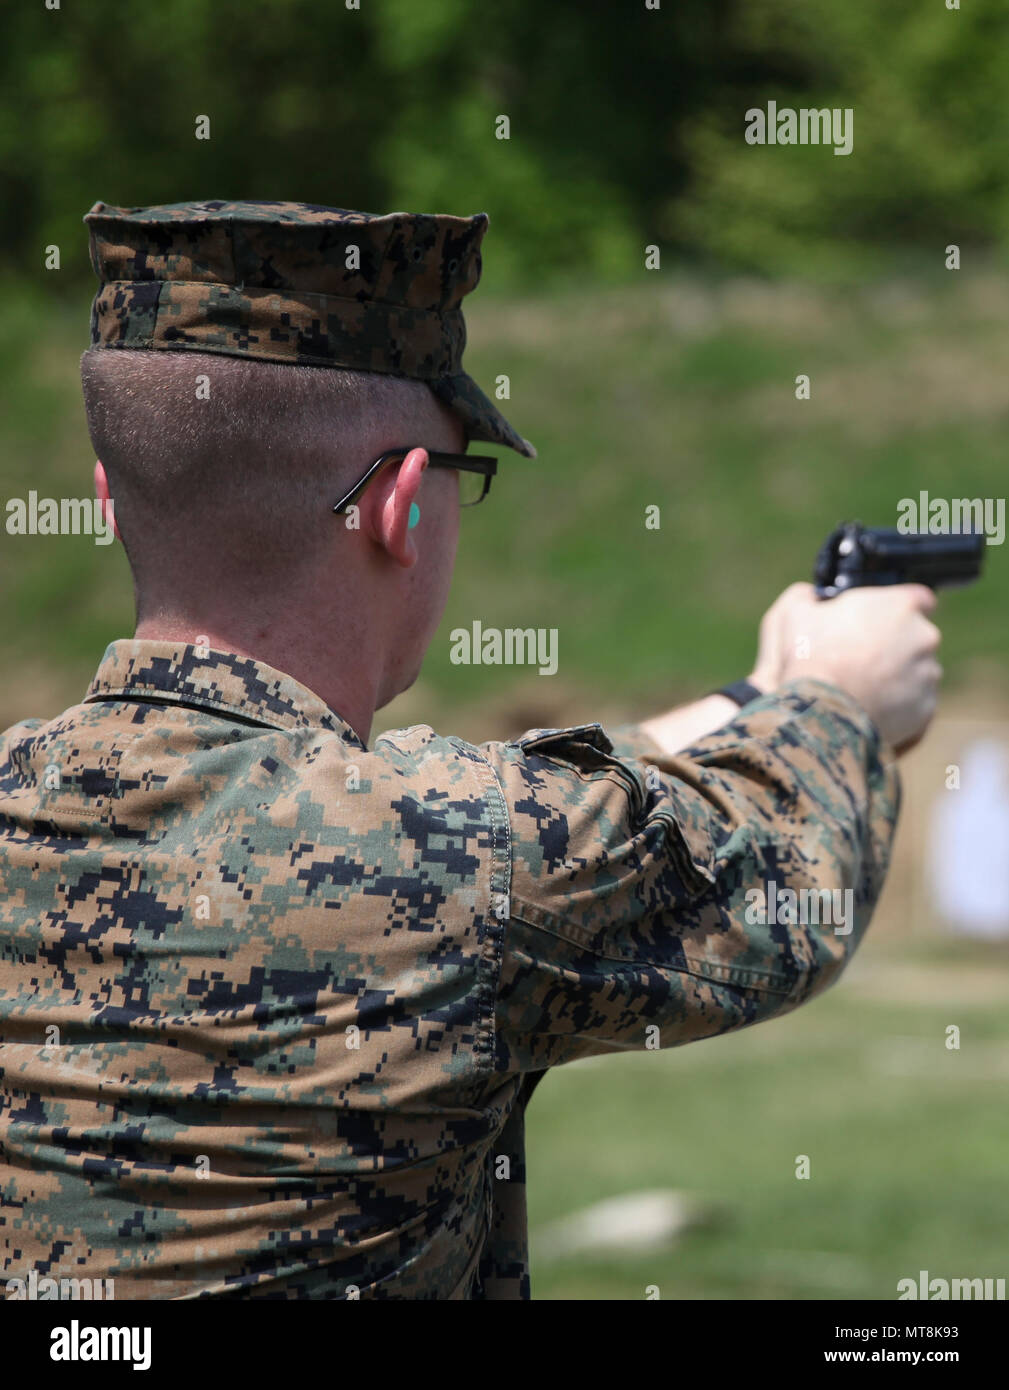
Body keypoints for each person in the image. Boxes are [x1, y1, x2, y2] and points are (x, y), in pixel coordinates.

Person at [0, 200, 941, 1300]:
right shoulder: (478, 855)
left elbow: (483, 821)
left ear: (111, 498)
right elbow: (783, 870)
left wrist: (753, 697)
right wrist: (839, 696)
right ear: (400, 506)